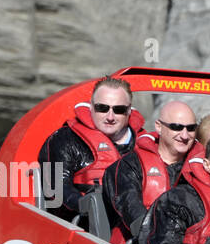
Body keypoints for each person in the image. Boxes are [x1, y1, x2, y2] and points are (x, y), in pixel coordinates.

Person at [37, 76, 143, 221]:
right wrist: (88, 205)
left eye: (118, 110)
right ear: (91, 107)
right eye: (102, 108)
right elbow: (56, 189)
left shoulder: (146, 144)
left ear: (129, 111)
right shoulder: (65, 138)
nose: (110, 116)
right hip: (85, 228)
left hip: (139, 229)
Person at [101, 100, 201, 244]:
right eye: (176, 127)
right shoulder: (129, 165)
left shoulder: (204, 166)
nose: (184, 135)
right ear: (159, 127)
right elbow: (131, 209)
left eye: (191, 128)